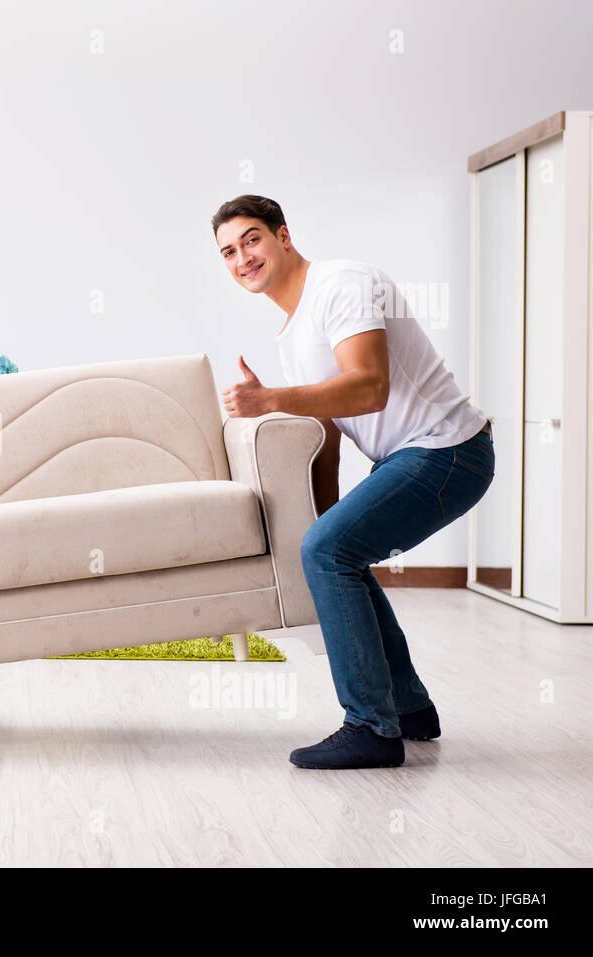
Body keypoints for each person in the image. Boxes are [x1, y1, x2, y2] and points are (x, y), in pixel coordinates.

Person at [211, 194, 494, 770]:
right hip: (412, 458)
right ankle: (407, 711)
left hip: (449, 450)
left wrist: (269, 399)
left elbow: (370, 387)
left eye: (251, 240)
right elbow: (329, 433)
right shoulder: (293, 336)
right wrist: (320, 522)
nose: (242, 258)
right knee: (332, 549)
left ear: (283, 236)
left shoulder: (342, 285)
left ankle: (369, 726)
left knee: (330, 552)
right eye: (228, 252)